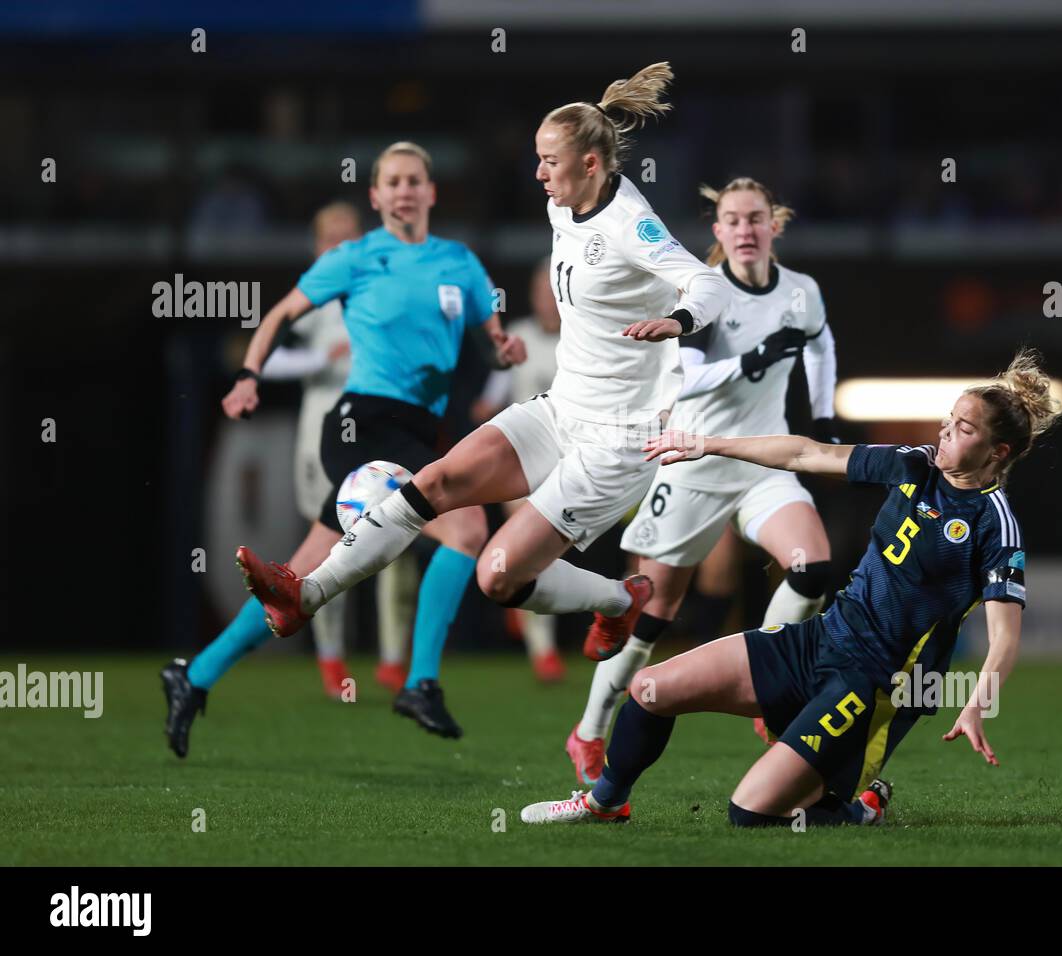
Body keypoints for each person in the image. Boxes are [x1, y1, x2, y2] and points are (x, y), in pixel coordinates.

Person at [237, 64, 732, 675]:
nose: (538, 173)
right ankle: (304, 595)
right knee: (435, 481)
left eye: (549, 161)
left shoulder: (631, 224)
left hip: (617, 439)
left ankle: (618, 600)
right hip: (560, 410)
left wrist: (678, 321)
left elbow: (706, 282)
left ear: (590, 165)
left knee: (497, 576)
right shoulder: (564, 205)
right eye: (538, 158)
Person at [520, 348, 1061, 827]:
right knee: (650, 689)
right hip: (821, 639)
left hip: (873, 685)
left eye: (964, 429)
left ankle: (859, 808)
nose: (945, 430)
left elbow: (1005, 636)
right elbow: (806, 454)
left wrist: (977, 704)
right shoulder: (915, 465)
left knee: (749, 813)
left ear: (998, 452)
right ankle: (604, 804)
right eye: (950, 419)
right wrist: (708, 443)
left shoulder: (994, 524)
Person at [161, 142, 525, 757]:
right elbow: (280, 314)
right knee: (467, 530)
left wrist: (503, 348)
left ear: (431, 192)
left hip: (417, 431)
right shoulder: (355, 257)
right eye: (393, 182)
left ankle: (193, 677)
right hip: (363, 424)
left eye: (414, 180)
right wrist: (249, 376)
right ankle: (421, 682)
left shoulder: (460, 262)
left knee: (299, 582)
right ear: (376, 196)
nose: (405, 190)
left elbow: (493, 335)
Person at [565, 177, 840, 784]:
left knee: (813, 567)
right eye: (733, 220)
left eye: (755, 218)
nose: (745, 229)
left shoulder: (801, 290)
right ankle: (588, 729)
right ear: (718, 230)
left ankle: (771, 683)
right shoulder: (707, 292)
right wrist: (752, 360)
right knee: (654, 613)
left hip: (763, 462)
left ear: (774, 225)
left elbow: (820, 344)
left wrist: (822, 418)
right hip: (692, 462)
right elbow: (684, 378)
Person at [258, 201, 419, 698]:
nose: (341, 246)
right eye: (331, 238)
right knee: (328, 543)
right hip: (322, 433)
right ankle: (332, 659)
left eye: (349, 237)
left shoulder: (381, 291)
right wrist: (319, 359)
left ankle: (393, 661)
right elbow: (264, 357)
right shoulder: (313, 297)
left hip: (378, 429)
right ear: (317, 246)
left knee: (397, 537)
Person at [470, 257, 565, 683]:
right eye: (541, 293)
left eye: (553, 293)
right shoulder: (519, 336)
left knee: (542, 554)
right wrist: (487, 409)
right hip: (524, 461)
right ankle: (544, 652)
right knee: (531, 547)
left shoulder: (581, 338)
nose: (548, 301)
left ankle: (517, 594)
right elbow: (492, 395)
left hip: (571, 463)